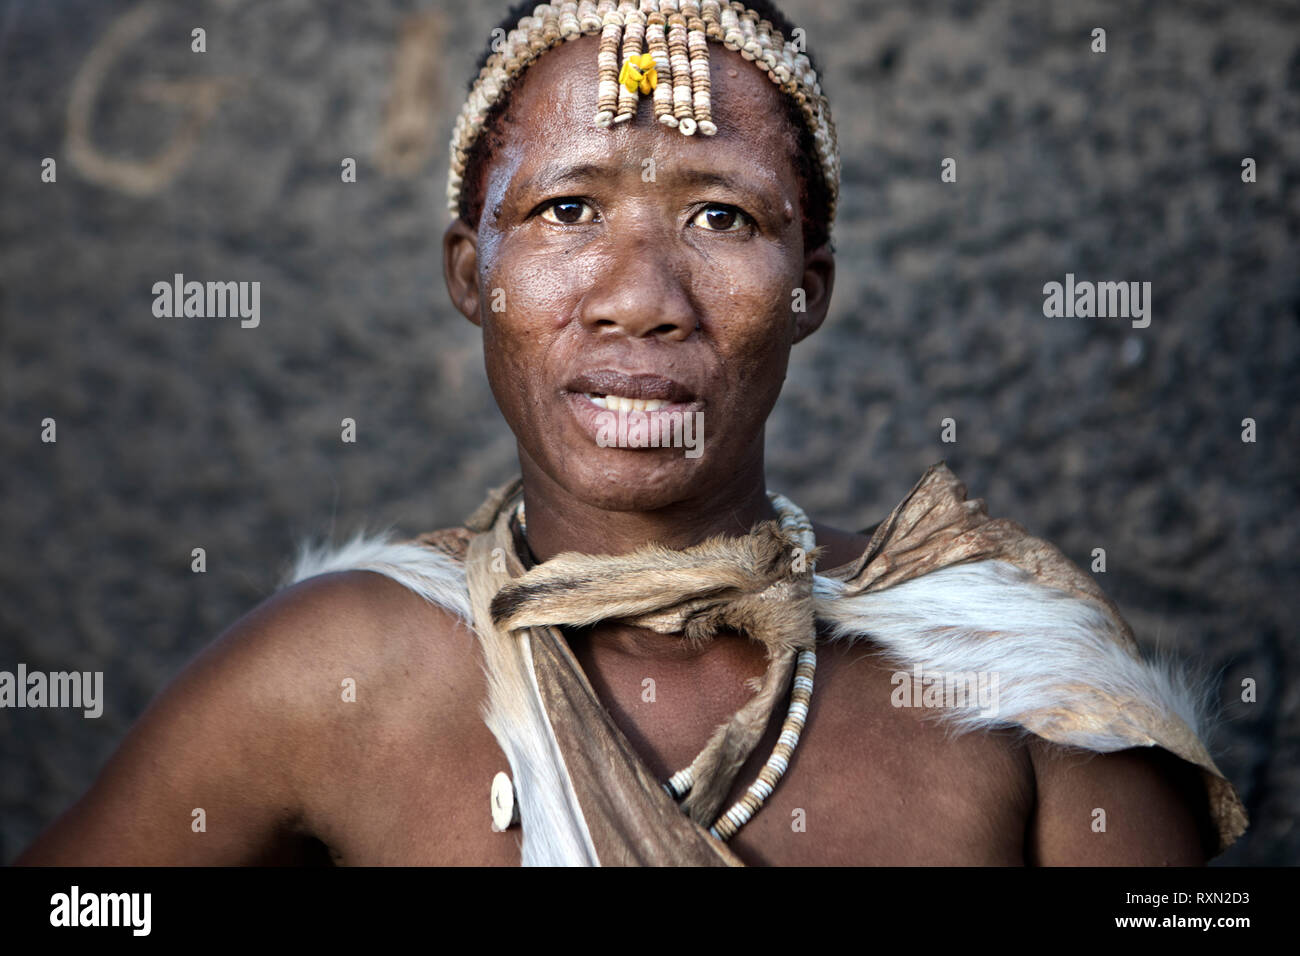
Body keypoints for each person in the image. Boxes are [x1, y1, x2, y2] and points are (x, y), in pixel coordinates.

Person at [18, 0, 1245, 866]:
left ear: (809, 285)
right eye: (565, 209)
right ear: (471, 271)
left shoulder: (1017, 676)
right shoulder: (340, 679)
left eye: (721, 215)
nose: (641, 294)